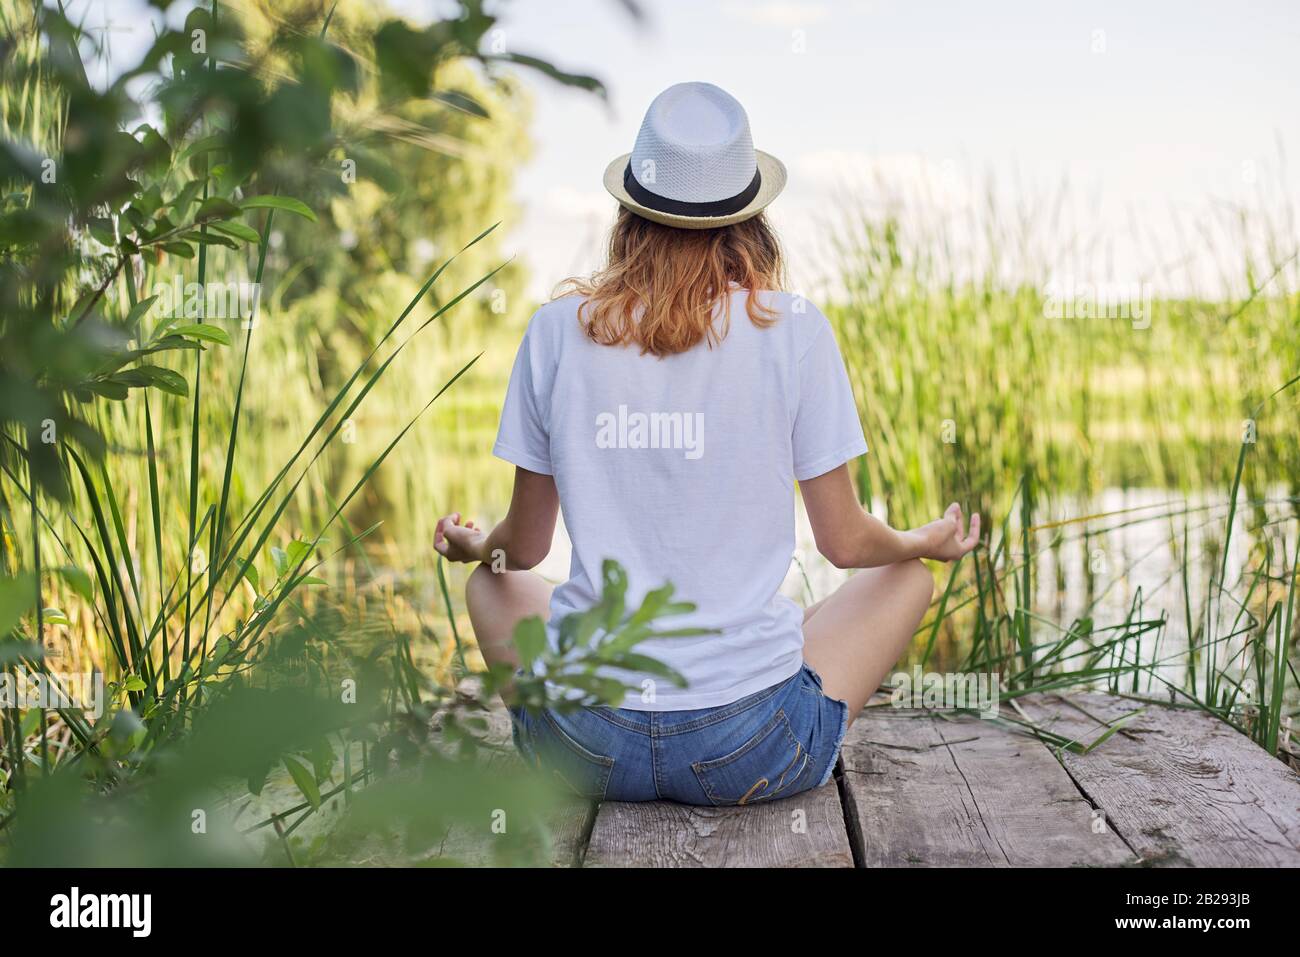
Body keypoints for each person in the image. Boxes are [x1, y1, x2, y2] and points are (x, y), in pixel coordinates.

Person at [435, 81, 979, 806]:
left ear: (630, 215)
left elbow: (522, 550)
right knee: (907, 575)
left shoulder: (555, 331)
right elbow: (846, 544)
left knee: (491, 583)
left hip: (585, 745)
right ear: (749, 224)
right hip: (748, 751)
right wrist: (925, 537)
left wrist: (477, 548)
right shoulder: (795, 329)